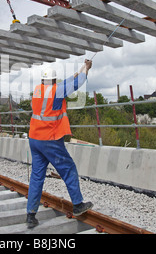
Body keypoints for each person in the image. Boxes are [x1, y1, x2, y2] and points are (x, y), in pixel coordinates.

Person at [26, 60, 94, 228]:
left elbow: (67, 83)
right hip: (50, 139)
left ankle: (30, 215)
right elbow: (76, 84)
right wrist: (86, 70)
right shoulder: (56, 91)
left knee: (37, 176)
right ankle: (78, 204)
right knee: (68, 168)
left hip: (34, 139)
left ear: (43, 80)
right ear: (55, 81)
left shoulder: (37, 90)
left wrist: (80, 69)